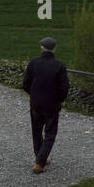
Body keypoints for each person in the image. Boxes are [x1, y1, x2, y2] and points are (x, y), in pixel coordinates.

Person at [23, 37, 69, 173]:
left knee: (36, 131)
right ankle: (40, 163)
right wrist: (59, 100)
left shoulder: (33, 63)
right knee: (50, 133)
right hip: (52, 105)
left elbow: (25, 84)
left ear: (41, 48)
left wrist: (34, 95)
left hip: (36, 104)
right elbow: (64, 88)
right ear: (55, 48)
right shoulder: (59, 66)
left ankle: (40, 157)